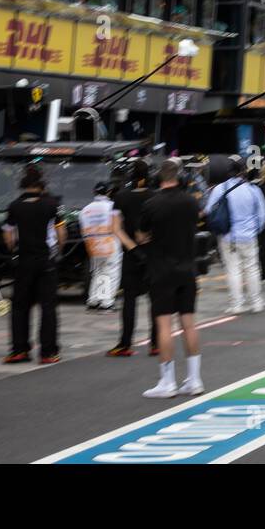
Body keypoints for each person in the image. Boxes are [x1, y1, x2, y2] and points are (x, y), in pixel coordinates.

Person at [138, 160, 204, 398]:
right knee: (189, 323)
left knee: (164, 325)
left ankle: (167, 382)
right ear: (180, 176)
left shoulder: (151, 204)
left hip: (161, 270)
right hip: (187, 269)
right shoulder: (191, 201)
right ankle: (194, 379)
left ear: (159, 177)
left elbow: (142, 235)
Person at [2, 165, 66, 364]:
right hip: (45, 261)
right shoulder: (51, 204)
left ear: (23, 184)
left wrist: (13, 249)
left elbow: (8, 235)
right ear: (41, 183)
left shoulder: (14, 206)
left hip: (24, 260)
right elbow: (61, 232)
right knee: (48, 306)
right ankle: (48, 352)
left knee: (20, 306)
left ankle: (19, 349)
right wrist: (58, 251)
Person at [205, 157, 265, 315]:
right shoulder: (253, 189)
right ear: (243, 172)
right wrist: (256, 230)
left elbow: (208, 210)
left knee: (233, 270)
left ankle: (236, 304)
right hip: (249, 236)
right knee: (252, 269)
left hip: (228, 236)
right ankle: (256, 302)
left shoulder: (220, 188)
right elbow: (262, 214)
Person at [108, 160, 158, 357]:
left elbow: (115, 228)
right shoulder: (155, 196)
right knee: (155, 299)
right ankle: (156, 343)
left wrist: (133, 248)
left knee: (129, 300)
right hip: (153, 253)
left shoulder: (120, 197)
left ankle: (125, 343)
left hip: (130, 255)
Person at [78, 182, 123, 312]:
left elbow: (83, 229)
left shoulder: (85, 210)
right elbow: (118, 226)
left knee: (98, 272)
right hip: (110, 242)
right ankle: (106, 303)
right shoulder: (112, 207)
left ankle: (93, 301)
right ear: (108, 192)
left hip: (92, 244)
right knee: (111, 272)